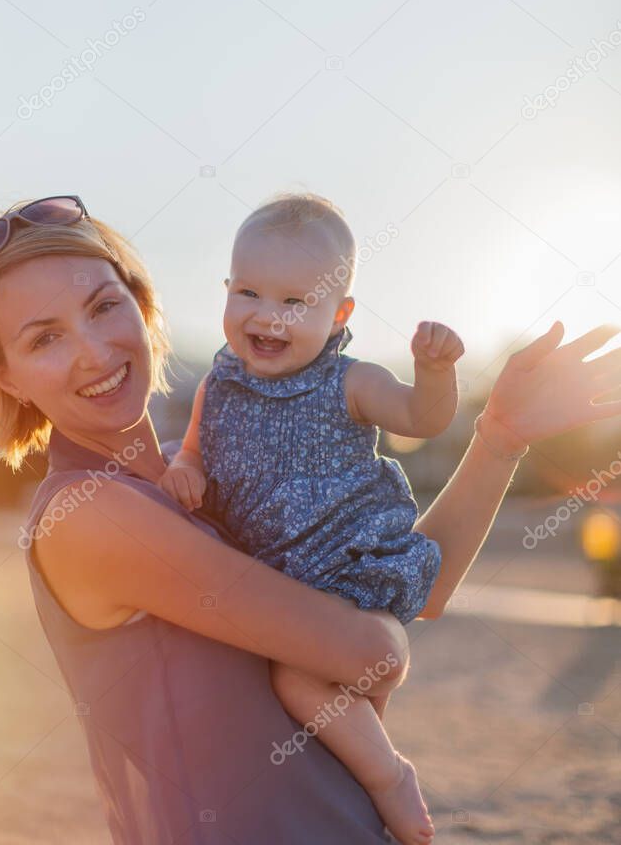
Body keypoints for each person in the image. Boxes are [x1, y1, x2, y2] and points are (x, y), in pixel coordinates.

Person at [0, 194, 620, 845]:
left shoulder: (211, 477)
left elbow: (420, 589)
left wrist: (497, 438)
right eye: (45, 339)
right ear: (4, 376)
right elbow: (372, 652)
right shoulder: (86, 515)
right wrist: (377, 646)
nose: (93, 350)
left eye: (104, 306)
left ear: (142, 306)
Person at [159, 192, 467, 844]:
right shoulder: (219, 383)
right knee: (293, 708)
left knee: (300, 680)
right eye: (249, 292)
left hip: (344, 572)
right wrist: (186, 468)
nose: (268, 315)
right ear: (226, 291)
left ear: (338, 315)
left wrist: (434, 373)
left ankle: (390, 777)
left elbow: (421, 419)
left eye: (296, 302)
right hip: (273, 586)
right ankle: (346, 798)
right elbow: (194, 447)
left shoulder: (348, 382)